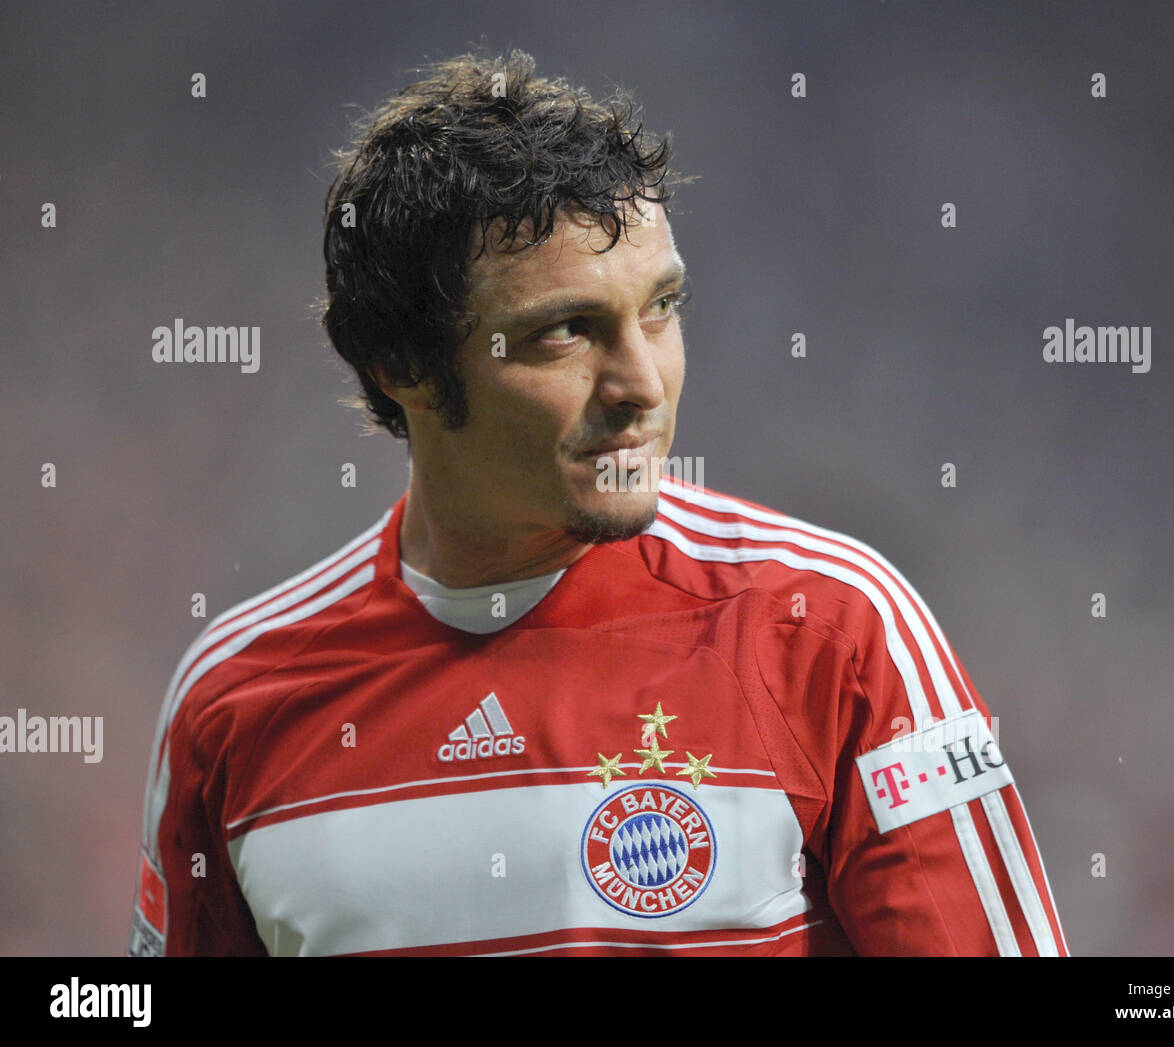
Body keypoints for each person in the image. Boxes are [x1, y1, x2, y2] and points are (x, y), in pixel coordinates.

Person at [129, 49, 1067, 957]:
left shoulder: (831, 629)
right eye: (567, 331)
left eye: (661, 309)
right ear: (401, 365)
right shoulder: (234, 706)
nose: (643, 383)